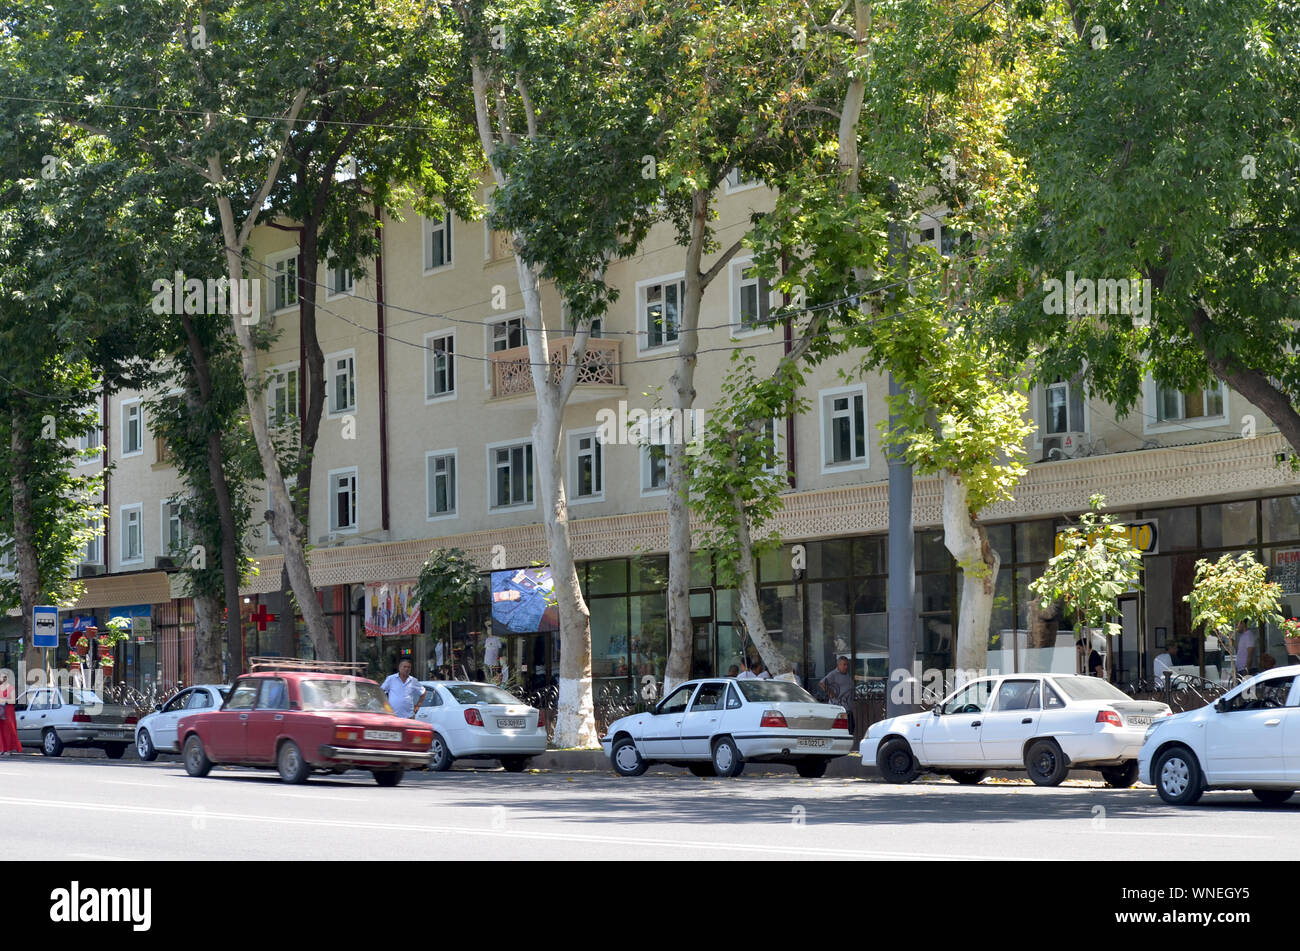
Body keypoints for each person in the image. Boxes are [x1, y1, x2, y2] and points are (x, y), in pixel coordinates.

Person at [818, 656, 856, 736]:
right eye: (844, 665)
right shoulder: (834, 674)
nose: (846, 667)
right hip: (837, 708)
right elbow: (822, 683)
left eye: (847, 665)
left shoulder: (847, 675)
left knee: (851, 729)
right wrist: (830, 692)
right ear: (838, 665)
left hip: (848, 708)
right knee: (842, 732)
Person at [0, 671, 19, 756]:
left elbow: (13, 701)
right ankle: (2, 749)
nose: (3, 679)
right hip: (1, 710)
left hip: (8, 710)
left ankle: (9, 749)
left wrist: (4, 700)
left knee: (9, 730)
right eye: (2, 677)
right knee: (1, 730)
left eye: (5, 677)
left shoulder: (11, 688)